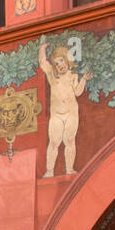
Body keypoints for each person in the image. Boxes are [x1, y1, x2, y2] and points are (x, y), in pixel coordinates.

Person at [40, 41, 92, 177]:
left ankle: (69, 169)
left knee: (69, 141)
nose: (59, 65)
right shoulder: (52, 75)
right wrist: (42, 49)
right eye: (56, 64)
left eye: (61, 61)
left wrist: (84, 80)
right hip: (56, 114)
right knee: (53, 141)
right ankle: (50, 170)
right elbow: (42, 63)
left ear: (67, 60)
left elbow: (78, 92)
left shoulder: (73, 76)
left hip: (71, 113)